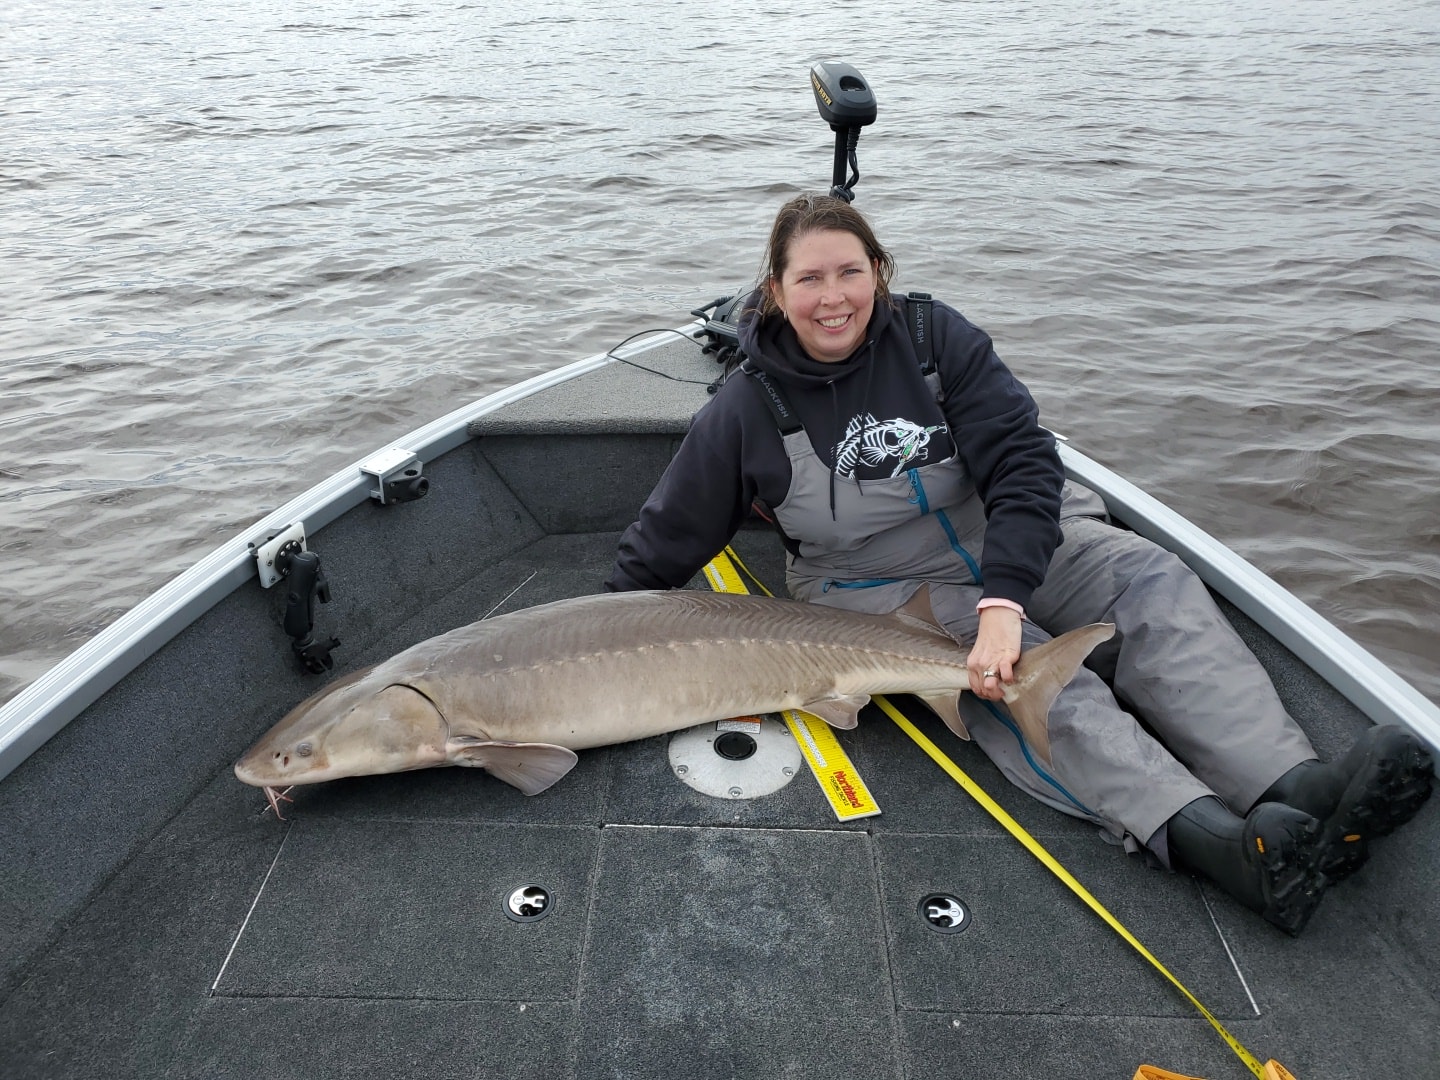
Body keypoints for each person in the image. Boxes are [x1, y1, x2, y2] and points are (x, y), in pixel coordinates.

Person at [605, 193, 1433, 934]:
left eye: (850, 272)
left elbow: (1024, 462)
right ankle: (1213, 840)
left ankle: (1293, 788)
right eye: (810, 279)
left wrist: (1004, 595)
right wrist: (596, 631)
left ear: (879, 272)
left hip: (1011, 530)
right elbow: (667, 535)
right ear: (775, 292)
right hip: (876, 582)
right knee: (1019, 674)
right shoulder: (745, 410)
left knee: (1149, 579)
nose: (834, 298)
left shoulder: (934, 338)